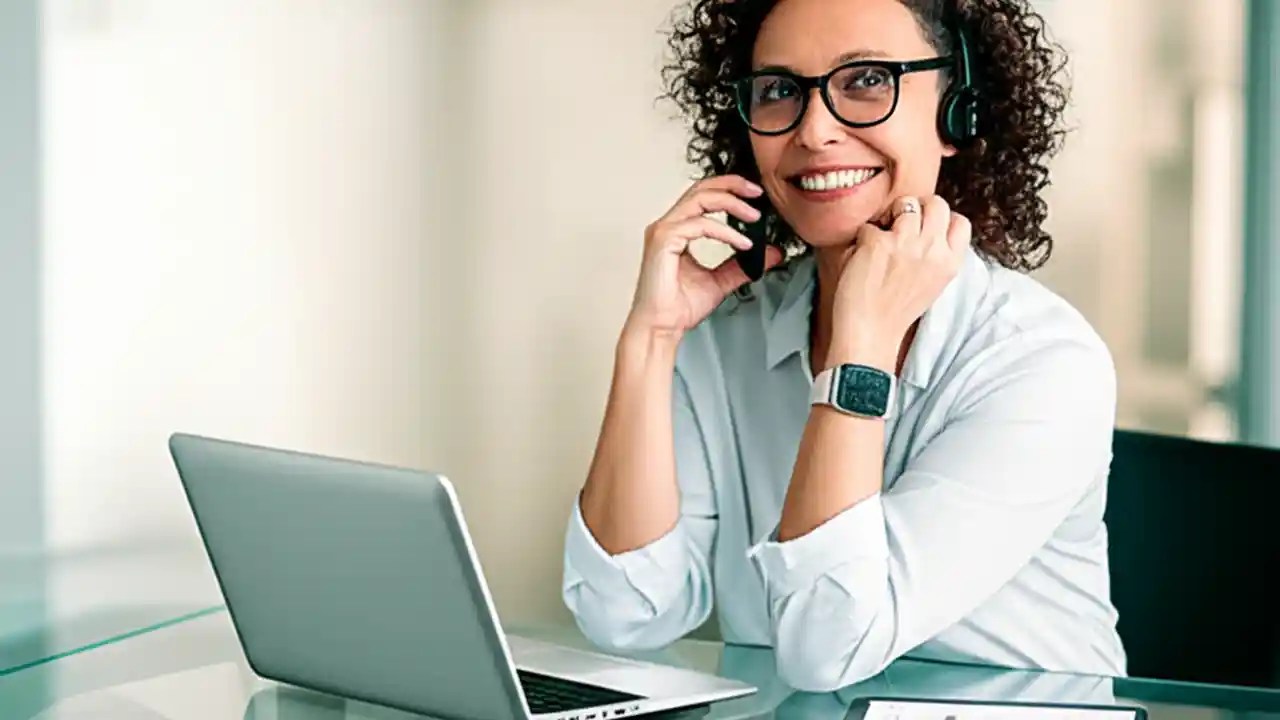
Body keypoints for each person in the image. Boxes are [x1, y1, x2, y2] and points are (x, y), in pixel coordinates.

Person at [560, 0, 1127, 693]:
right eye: (778, 92)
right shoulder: (726, 333)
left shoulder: (1041, 361)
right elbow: (624, 614)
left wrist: (858, 348)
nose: (814, 130)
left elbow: (827, 648)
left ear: (958, 113)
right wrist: (651, 341)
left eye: (866, 80)